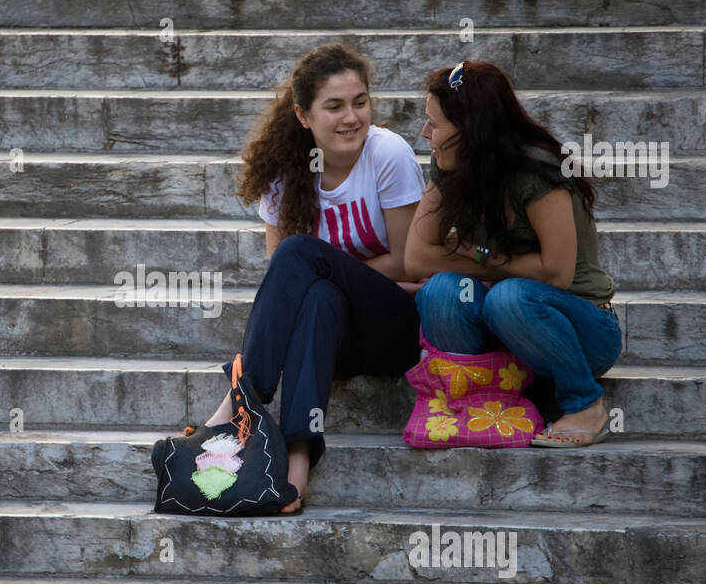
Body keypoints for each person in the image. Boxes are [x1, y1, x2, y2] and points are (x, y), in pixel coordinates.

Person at [194, 43, 425, 513]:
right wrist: (327, 274)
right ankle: (298, 464)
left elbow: (407, 262)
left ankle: (245, 394)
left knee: (306, 259)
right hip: (330, 333)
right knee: (317, 296)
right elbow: (288, 285)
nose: (352, 117)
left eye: (360, 102)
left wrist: (330, 266)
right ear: (303, 115)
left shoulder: (387, 154)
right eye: (334, 106)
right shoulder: (286, 173)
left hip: (395, 324)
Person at [404, 60, 621, 447]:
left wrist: (484, 258)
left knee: (508, 298)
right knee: (441, 292)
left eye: (434, 125)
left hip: (580, 328)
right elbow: (417, 257)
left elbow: (557, 274)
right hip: (507, 331)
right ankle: (476, 402)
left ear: (471, 131)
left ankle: (586, 404)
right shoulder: (450, 166)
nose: (425, 134)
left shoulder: (537, 170)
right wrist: (486, 260)